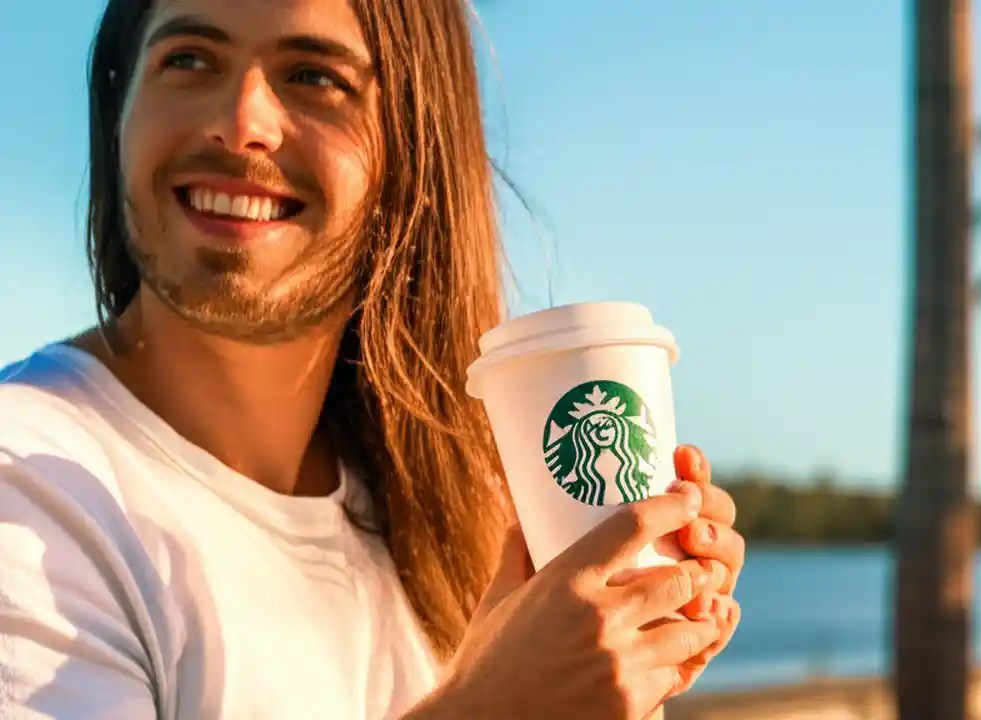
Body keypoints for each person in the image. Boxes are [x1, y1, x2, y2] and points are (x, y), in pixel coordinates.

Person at [0, 0, 745, 718]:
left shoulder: (458, 512)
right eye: (189, 58)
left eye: (314, 75)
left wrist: (617, 673)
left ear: (414, 147)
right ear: (118, 107)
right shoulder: (27, 487)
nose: (241, 125)